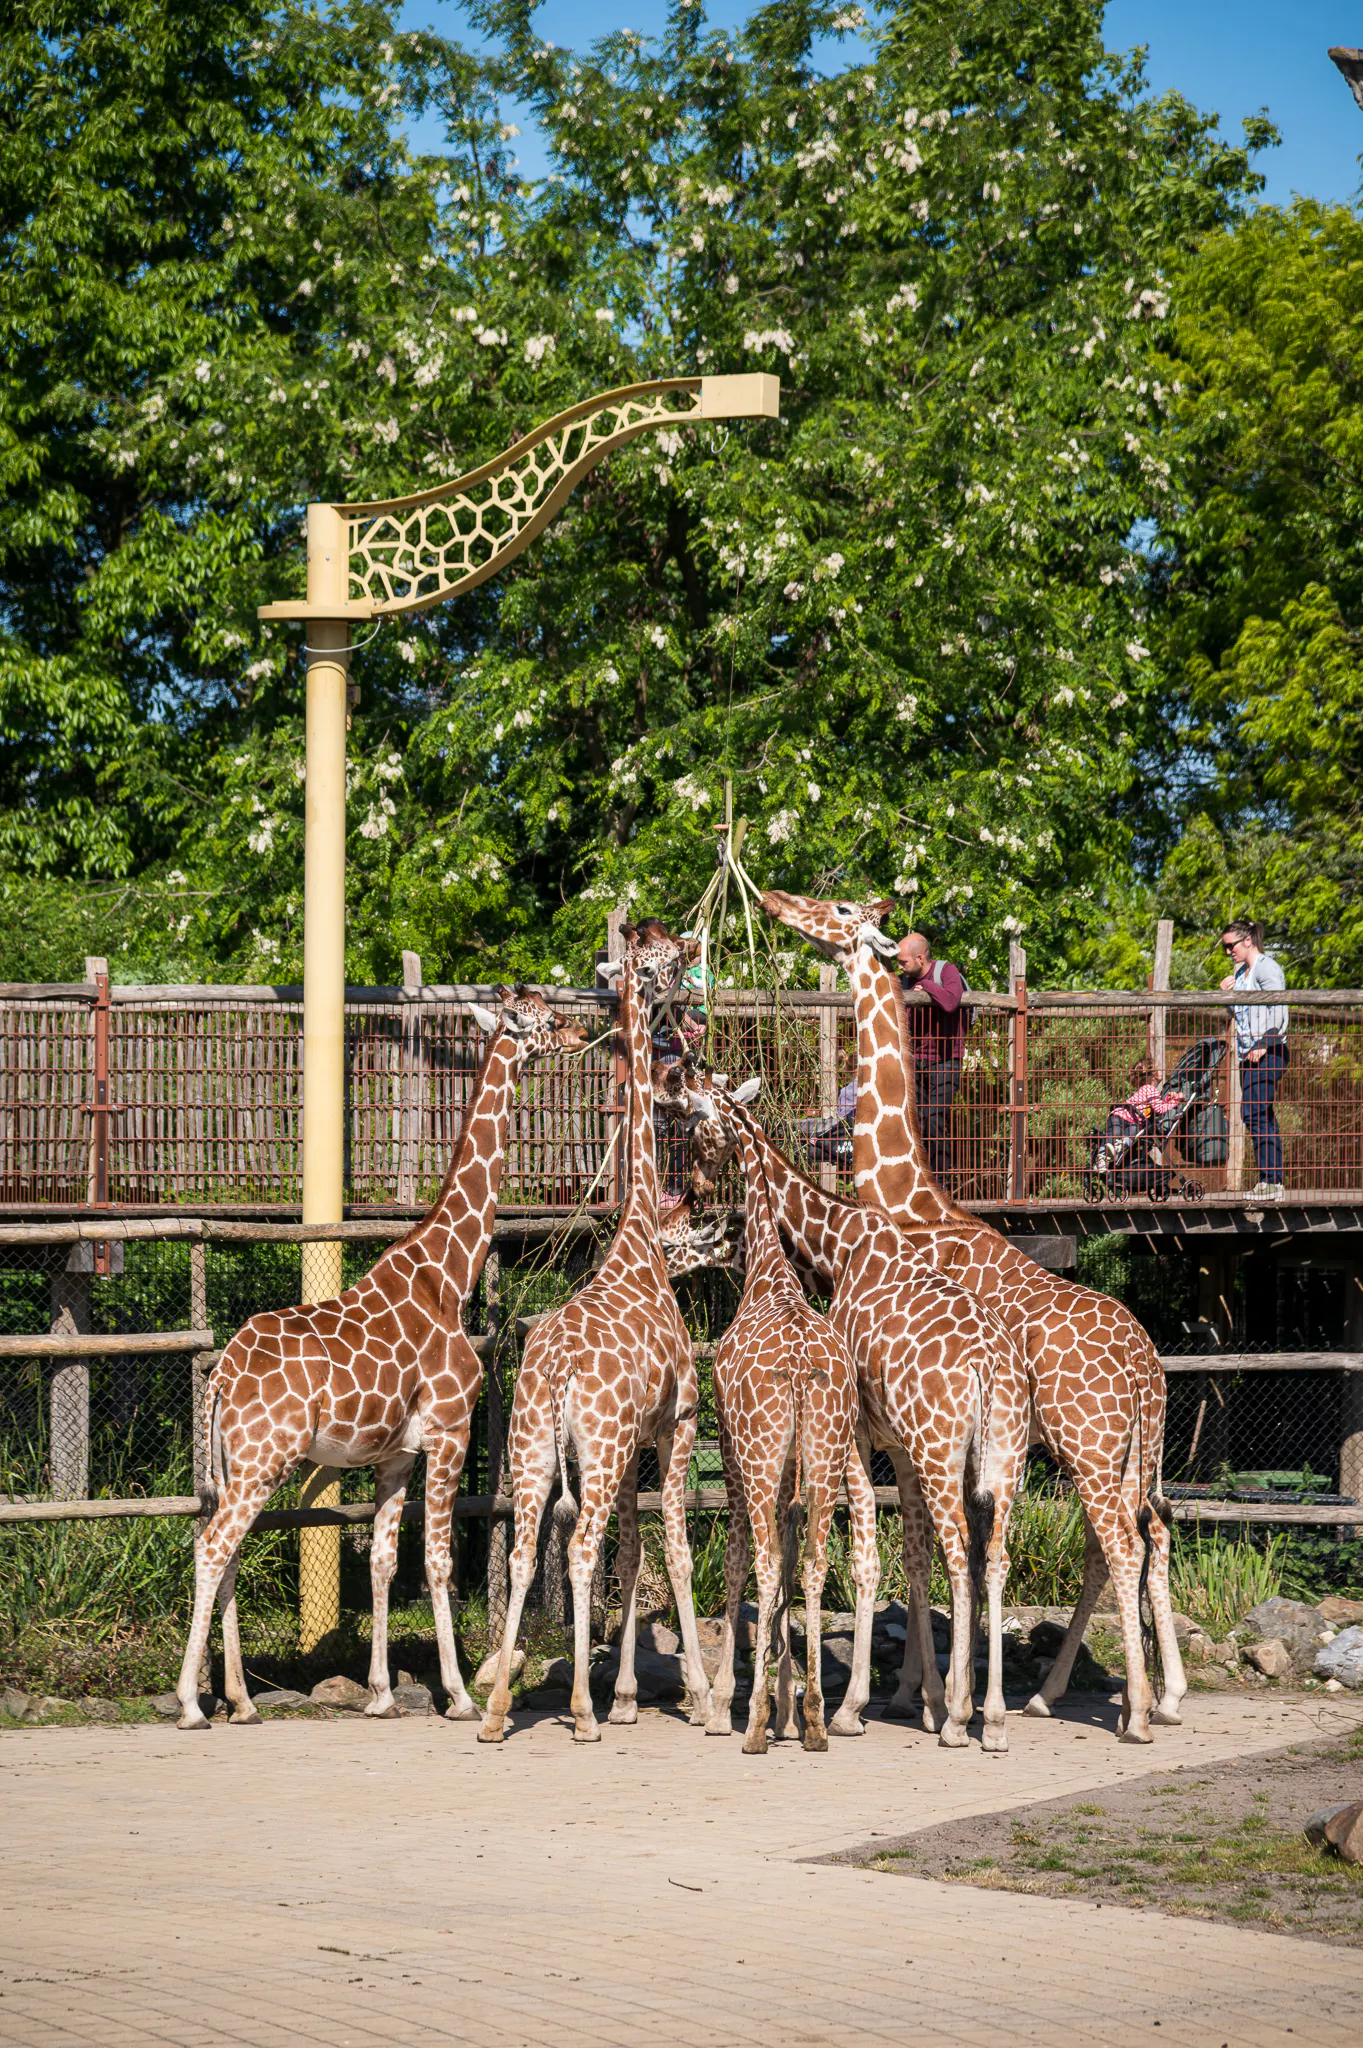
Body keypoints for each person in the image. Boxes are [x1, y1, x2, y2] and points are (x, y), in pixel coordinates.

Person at [1219, 917, 1289, 1199]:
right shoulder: (1240, 975)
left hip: (1269, 1052)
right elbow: (1239, 1016)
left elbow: (1280, 1010)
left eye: (1231, 946)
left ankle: (1271, 1182)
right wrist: (1227, 995)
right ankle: (1270, 1181)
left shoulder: (1267, 968)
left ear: (1247, 940)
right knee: (1258, 1114)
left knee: (1254, 1112)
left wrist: (1265, 1042)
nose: (1228, 952)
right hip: (1249, 1055)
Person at [897, 930, 967, 1185]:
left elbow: (950, 1002)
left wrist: (924, 987)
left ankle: (940, 1182)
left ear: (919, 958)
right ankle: (917, 1181)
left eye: (904, 961)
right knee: (915, 1122)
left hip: (946, 1060)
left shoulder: (946, 971)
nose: (900, 966)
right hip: (916, 1061)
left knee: (935, 1119)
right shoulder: (903, 980)